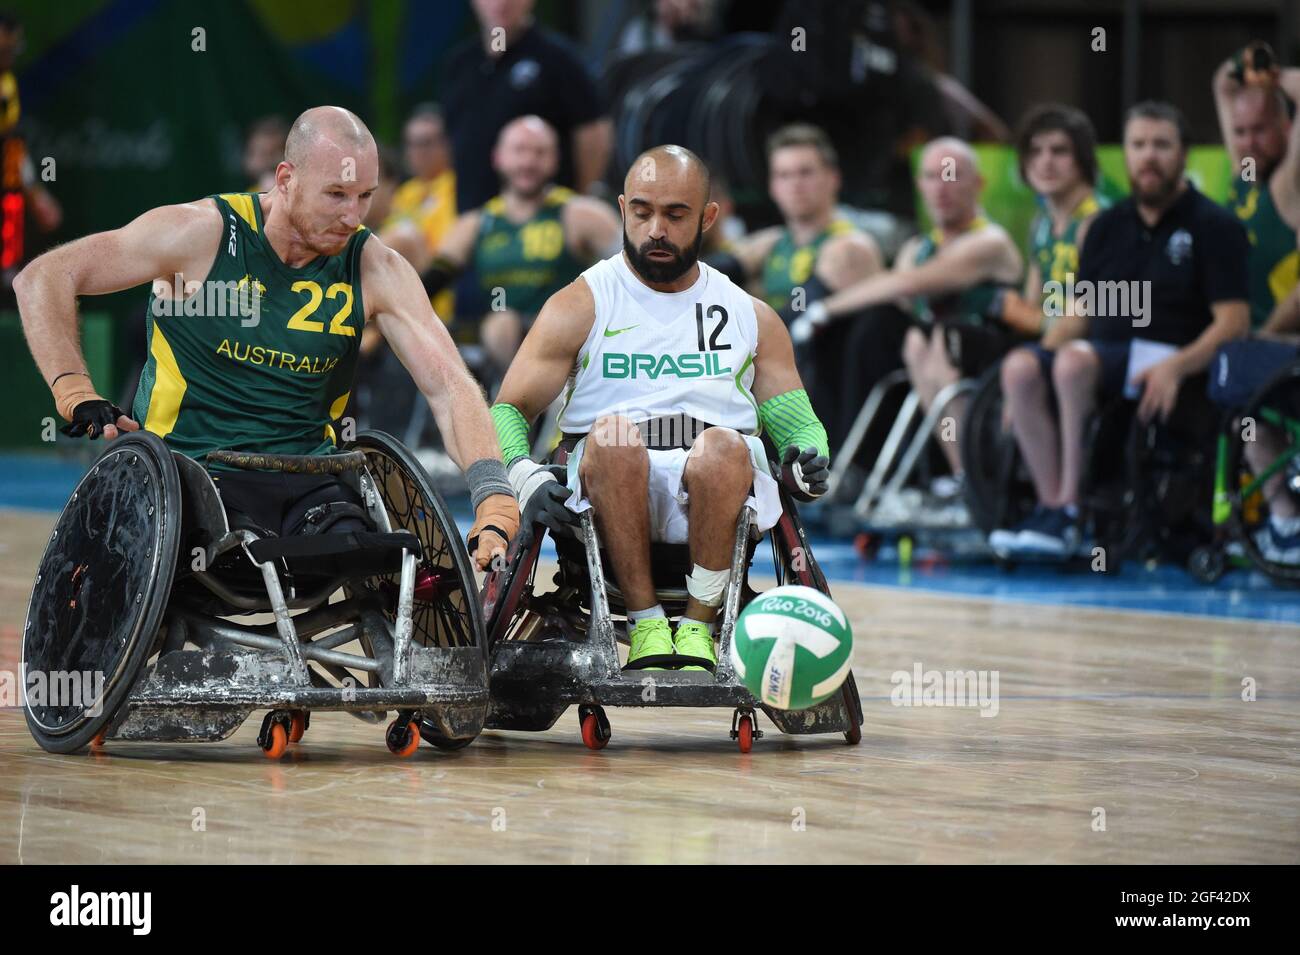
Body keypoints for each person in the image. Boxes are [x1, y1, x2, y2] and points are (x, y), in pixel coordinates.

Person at [15, 106, 519, 571]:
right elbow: (45, 277)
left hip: (308, 484)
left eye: (365, 196)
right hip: (187, 478)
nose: (354, 216)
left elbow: (450, 385)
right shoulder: (200, 234)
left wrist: (493, 496)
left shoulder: (374, 265)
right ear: (286, 179)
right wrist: (74, 390)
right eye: (336, 195)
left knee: (392, 562)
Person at [490, 145, 830, 671]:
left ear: (708, 218)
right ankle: (648, 627)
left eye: (675, 214)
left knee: (722, 445)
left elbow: (798, 423)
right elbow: (508, 408)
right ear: (623, 209)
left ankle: (698, 626)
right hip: (604, 488)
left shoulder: (749, 313)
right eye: (643, 211)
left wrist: (808, 456)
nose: (656, 230)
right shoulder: (582, 301)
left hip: (720, 485)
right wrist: (521, 473)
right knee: (616, 438)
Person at [990, 102, 1250, 558]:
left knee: (1073, 363)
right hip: (1106, 354)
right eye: (1139, 145)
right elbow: (1080, 310)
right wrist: (1032, 366)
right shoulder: (1107, 227)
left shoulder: (1214, 225)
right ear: (1125, 155)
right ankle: (1051, 509)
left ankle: (1072, 510)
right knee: (1019, 368)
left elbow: (1234, 322)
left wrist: (1177, 365)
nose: (1149, 156)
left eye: (1162, 145)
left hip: (1175, 358)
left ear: (1184, 154)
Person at [794, 137, 1023, 497]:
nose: (941, 187)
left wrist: (823, 307)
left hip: (984, 356)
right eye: (931, 176)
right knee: (871, 327)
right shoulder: (918, 247)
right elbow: (893, 296)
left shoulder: (989, 242)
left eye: (952, 176)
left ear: (978, 184)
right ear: (920, 185)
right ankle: (852, 461)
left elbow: (908, 283)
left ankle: (969, 477)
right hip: (928, 356)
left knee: (933, 339)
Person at [420, 116, 621, 388]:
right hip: (501, 339)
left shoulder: (581, 214)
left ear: (555, 159)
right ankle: (520, 401)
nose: (528, 162)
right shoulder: (476, 224)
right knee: (501, 321)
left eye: (539, 152)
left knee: (510, 323)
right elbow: (428, 284)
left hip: (569, 335)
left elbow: (633, 269)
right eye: (519, 151)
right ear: (498, 157)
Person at [716, 124, 883, 449]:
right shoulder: (774, 242)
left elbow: (796, 315)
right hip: (775, 376)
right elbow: (706, 271)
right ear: (773, 186)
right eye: (784, 175)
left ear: (832, 178)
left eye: (805, 173)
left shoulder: (848, 246)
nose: (795, 185)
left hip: (823, 391)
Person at [441, 0, 612, 210]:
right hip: (475, 220)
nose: (500, 3)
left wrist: (579, 198)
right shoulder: (460, 65)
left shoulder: (560, 60)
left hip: (544, 223)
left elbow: (593, 136)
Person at [995, 104, 1105, 338]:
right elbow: (1032, 305)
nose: (1046, 162)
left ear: (1083, 158)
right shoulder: (1041, 223)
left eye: (1059, 151)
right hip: (1047, 339)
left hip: (1084, 346)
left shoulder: (1096, 221)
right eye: (1035, 151)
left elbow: (1091, 316)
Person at [1212, 42, 1300, 330]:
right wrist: (1249, 60)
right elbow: (1222, 83)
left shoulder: (1287, 184)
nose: (1248, 142)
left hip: (1272, 346)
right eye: (1240, 131)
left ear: (1285, 126)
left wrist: (1274, 76)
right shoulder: (1246, 172)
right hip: (1230, 340)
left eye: (1260, 130)